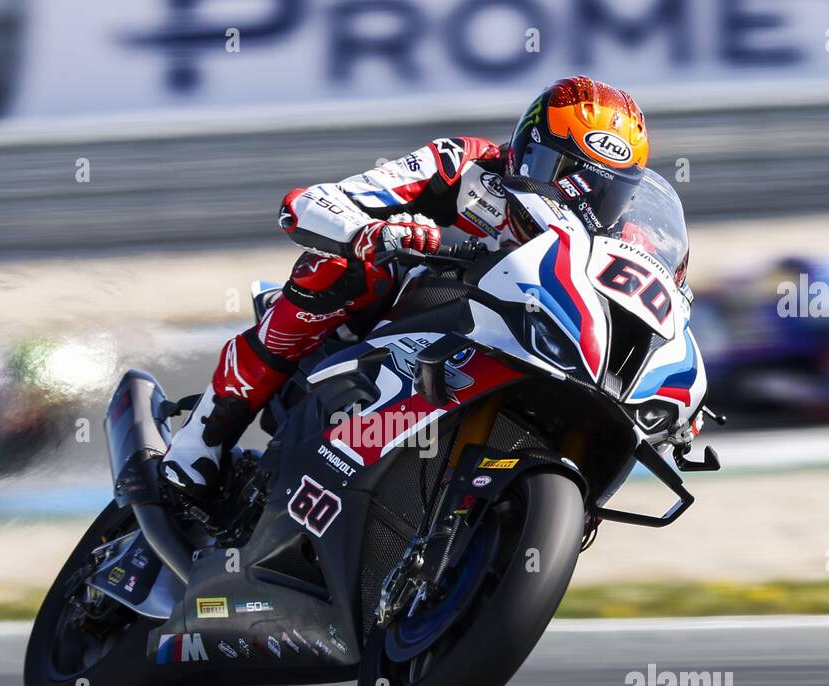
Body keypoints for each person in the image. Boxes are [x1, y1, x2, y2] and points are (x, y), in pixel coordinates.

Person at [162, 75, 651, 496]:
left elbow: (664, 318)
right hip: (408, 319)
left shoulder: (626, 242)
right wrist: (369, 233)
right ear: (522, 150)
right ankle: (203, 435)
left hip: (521, 352)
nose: (573, 199)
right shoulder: (463, 165)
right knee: (339, 267)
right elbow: (310, 202)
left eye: (601, 191)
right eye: (559, 172)